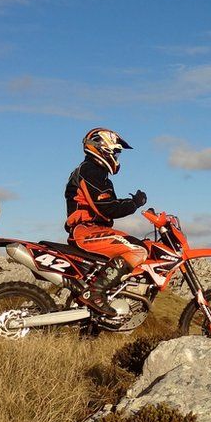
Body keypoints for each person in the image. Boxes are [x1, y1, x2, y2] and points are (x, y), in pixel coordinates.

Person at [64, 127, 148, 317]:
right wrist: (134, 203)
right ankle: (95, 293)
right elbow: (107, 207)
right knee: (138, 249)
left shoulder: (96, 172)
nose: (117, 156)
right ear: (103, 147)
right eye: (116, 151)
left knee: (133, 244)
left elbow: (107, 205)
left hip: (91, 230)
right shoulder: (91, 170)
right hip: (86, 231)